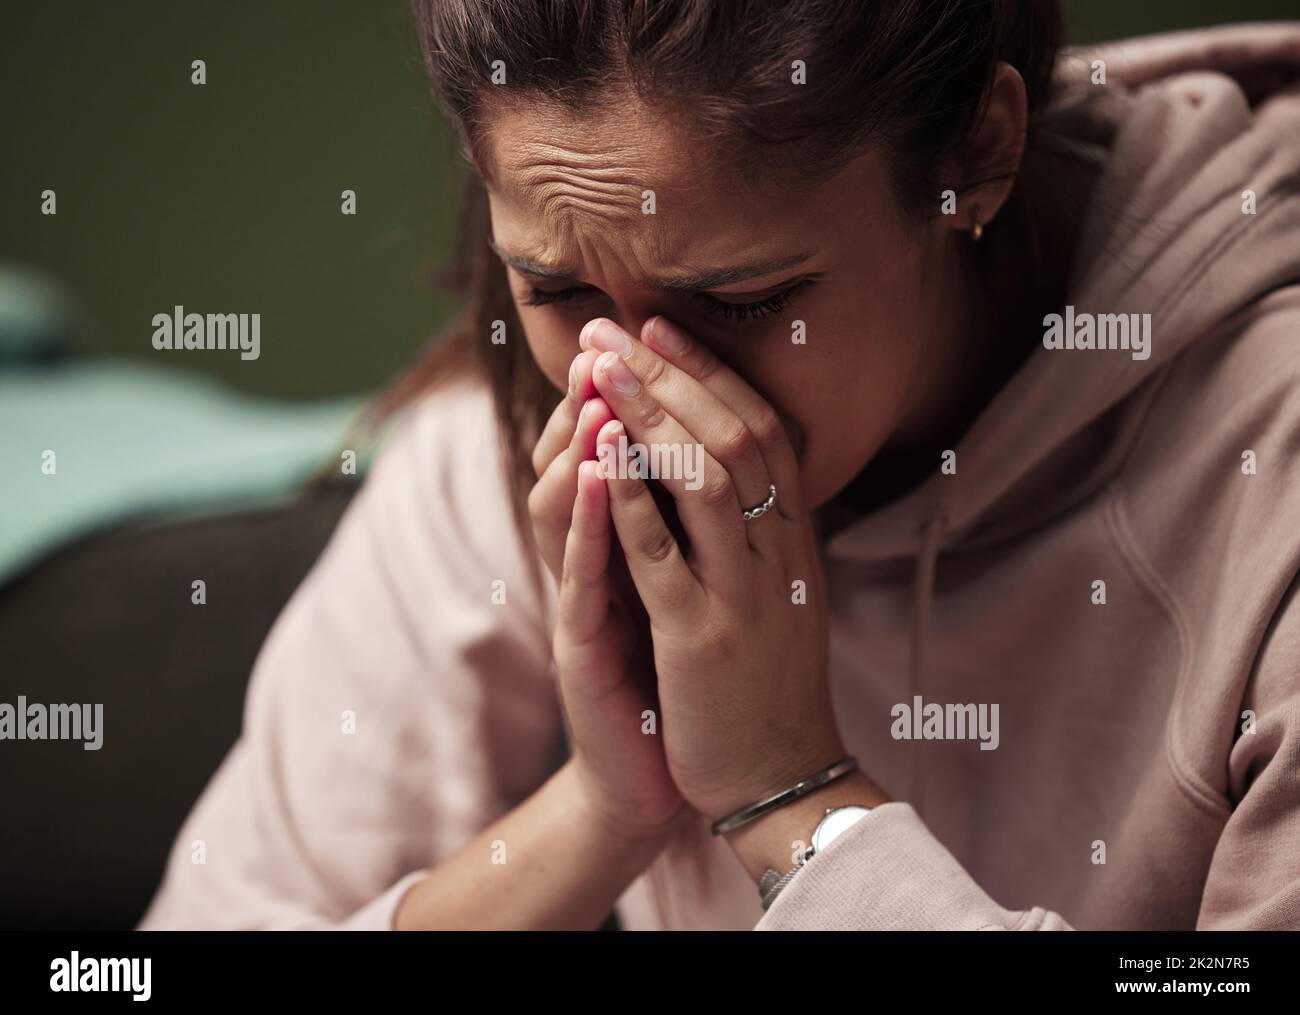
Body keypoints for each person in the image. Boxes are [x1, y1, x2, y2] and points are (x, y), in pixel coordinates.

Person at [139, 3, 1300, 930]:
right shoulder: (511, 437)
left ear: (976, 159)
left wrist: (789, 796)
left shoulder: (1268, 473)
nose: (641, 394)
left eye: (743, 301)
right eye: (558, 292)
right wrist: (603, 808)